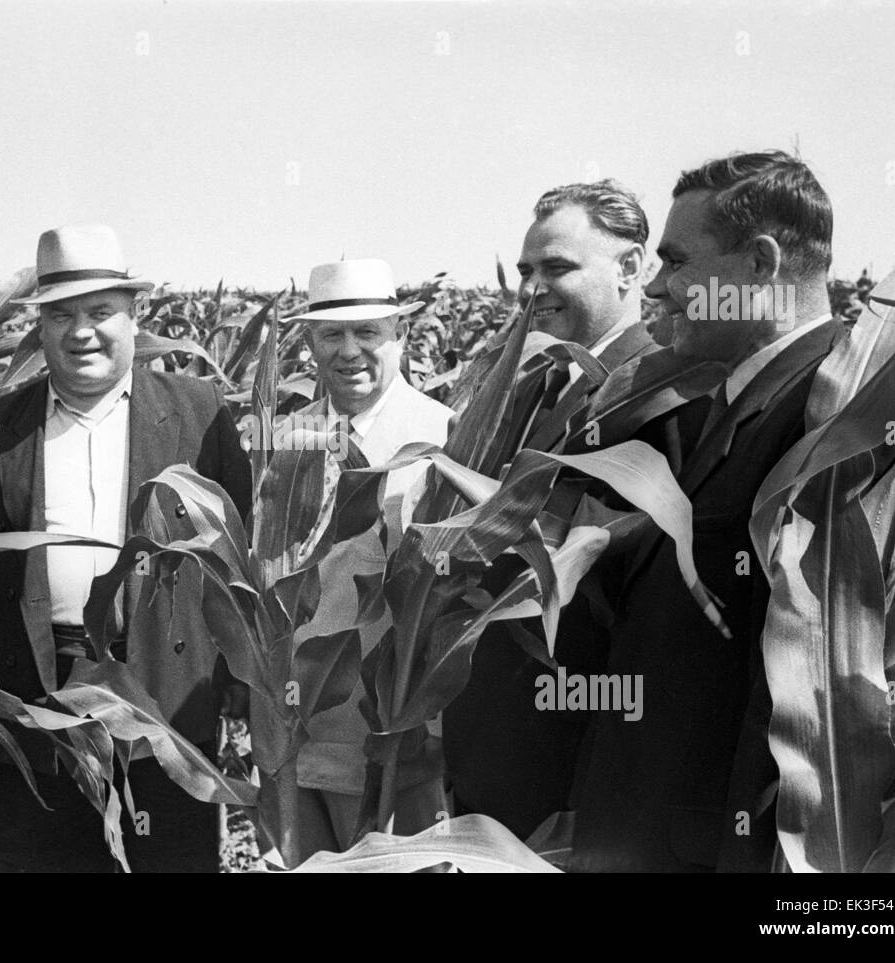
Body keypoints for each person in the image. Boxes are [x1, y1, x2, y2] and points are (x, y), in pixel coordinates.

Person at [0, 224, 251, 872]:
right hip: (36, 710)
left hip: (165, 712)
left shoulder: (202, 417)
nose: (82, 331)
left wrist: (238, 693)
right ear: (41, 328)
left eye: (100, 311)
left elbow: (234, 572)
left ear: (134, 315)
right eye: (61, 315)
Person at [567, 150, 843, 871]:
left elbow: (801, 694)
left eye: (676, 262)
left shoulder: (833, 411)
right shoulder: (733, 398)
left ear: (759, 263)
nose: (656, 287)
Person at [444, 180, 661, 837]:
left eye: (558, 268)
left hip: (572, 768)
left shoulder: (659, 388)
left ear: (629, 268)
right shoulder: (533, 381)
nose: (533, 288)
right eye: (525, 270)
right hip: (493, 754)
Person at [286, 258, 455, 852]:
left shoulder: (446, 439)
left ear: (401, 334)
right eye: (332, 334)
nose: (349, 351)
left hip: (404, 733)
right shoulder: (284, 441)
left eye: (369, 332)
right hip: (299, 731)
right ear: (309, 341)